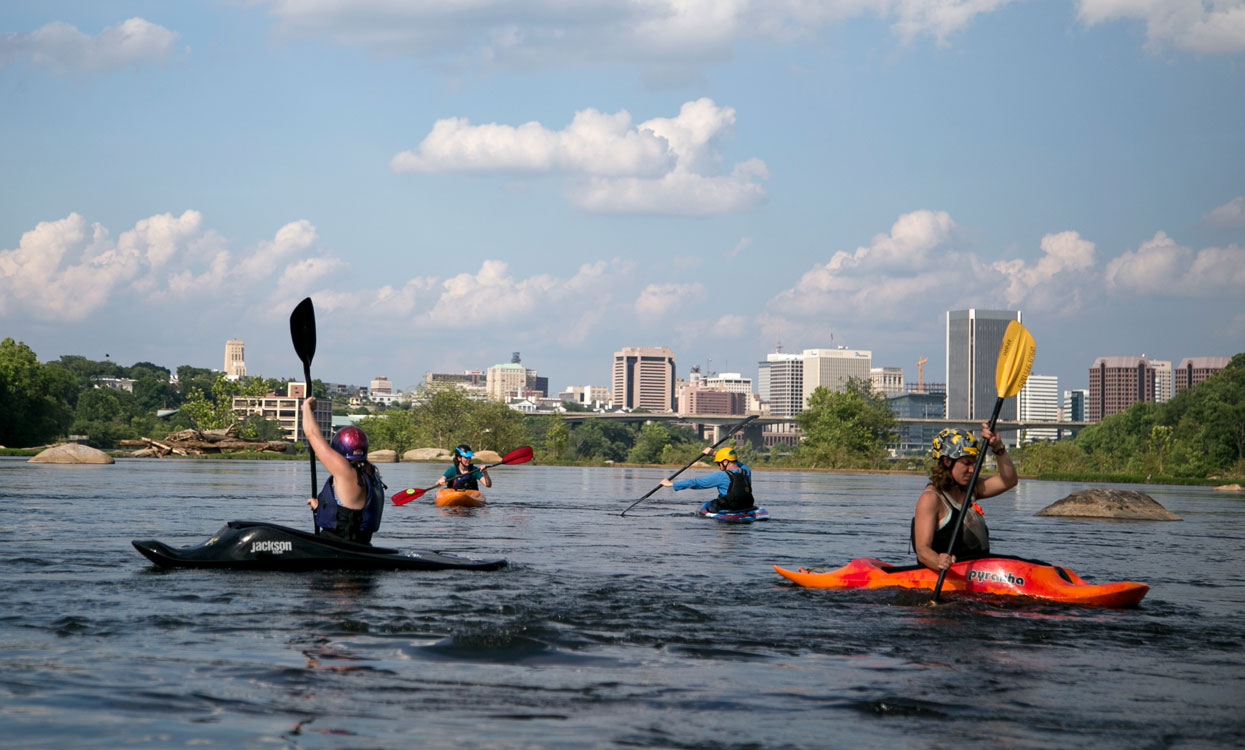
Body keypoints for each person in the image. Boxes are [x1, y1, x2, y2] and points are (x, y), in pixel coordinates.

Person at [912, 425, 1017, 572]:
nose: (972, 470)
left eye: (973, 463)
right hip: (947, 575)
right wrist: (938, 560)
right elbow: (922, 550)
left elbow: (1009, 481)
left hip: (978, 572)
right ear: (948, 461)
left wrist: (998, 447)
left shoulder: (972, 489)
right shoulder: (931, 498)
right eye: (966, 463)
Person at [302, 397, 385, 545]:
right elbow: (352, 510)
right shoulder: (370, 475)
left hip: (338, 546)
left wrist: (307, 407)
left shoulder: (344, 470)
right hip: (362, 546)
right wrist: (320, 507)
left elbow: (312, 434)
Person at [659, 445, 755, 512]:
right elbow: (738, 463)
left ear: (725, 462)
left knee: (712, 504)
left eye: (718, 463)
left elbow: (695, 483)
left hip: (729, 508)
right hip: (746, 507)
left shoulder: (721, 476)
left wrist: (671, 484)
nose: (718, 467)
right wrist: (714, 453)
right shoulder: (746, 471)